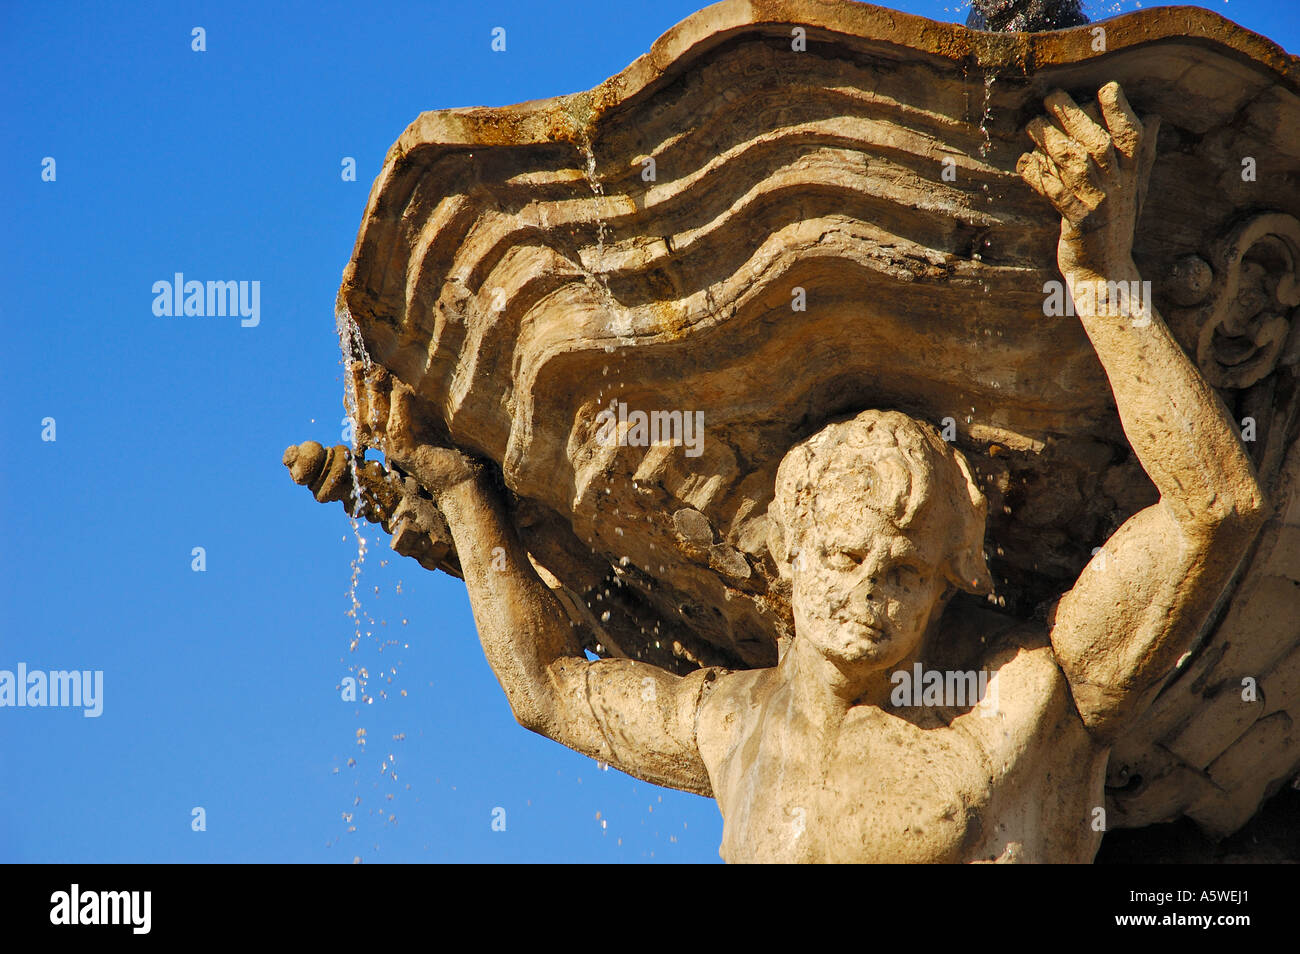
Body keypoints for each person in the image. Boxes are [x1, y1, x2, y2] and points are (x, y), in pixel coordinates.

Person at [355, 83, 1267, 862]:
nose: (869, 594)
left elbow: (1215, 509)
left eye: (905, 571)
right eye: (842, 555)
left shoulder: (1029, 694)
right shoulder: (731, 725)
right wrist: (467, 495)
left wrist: (1102, 278)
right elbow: (545, 689)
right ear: (787, 552)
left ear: (951, 581)